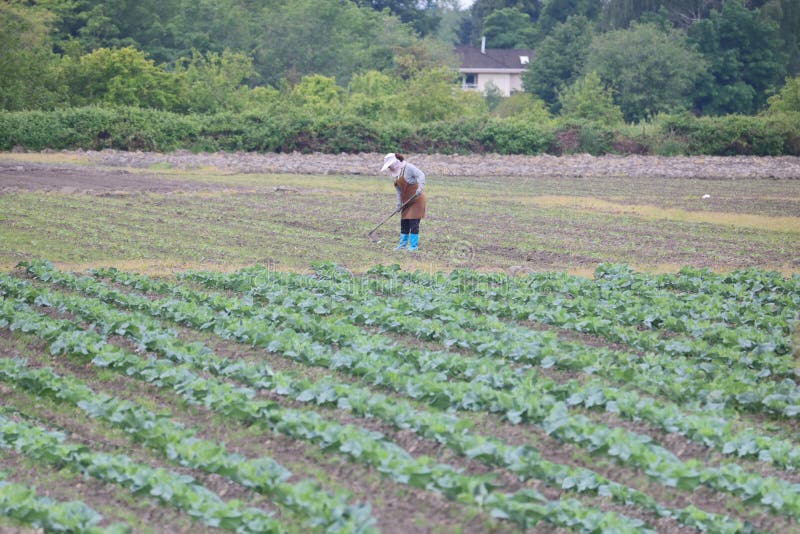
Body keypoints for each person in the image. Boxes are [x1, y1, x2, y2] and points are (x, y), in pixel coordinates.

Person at [380, 153, 426, 251]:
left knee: (413, 222)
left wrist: (420, 188)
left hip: (417, 199)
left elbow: (421, 175)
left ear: (395, 162)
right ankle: (402, 245)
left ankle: (413, 246)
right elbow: (398, 191)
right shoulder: (395, 174)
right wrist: (398, 204)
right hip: (406, 201)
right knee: (404, 222)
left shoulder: (408, 167)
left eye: (390, 165)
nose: (389, 167)